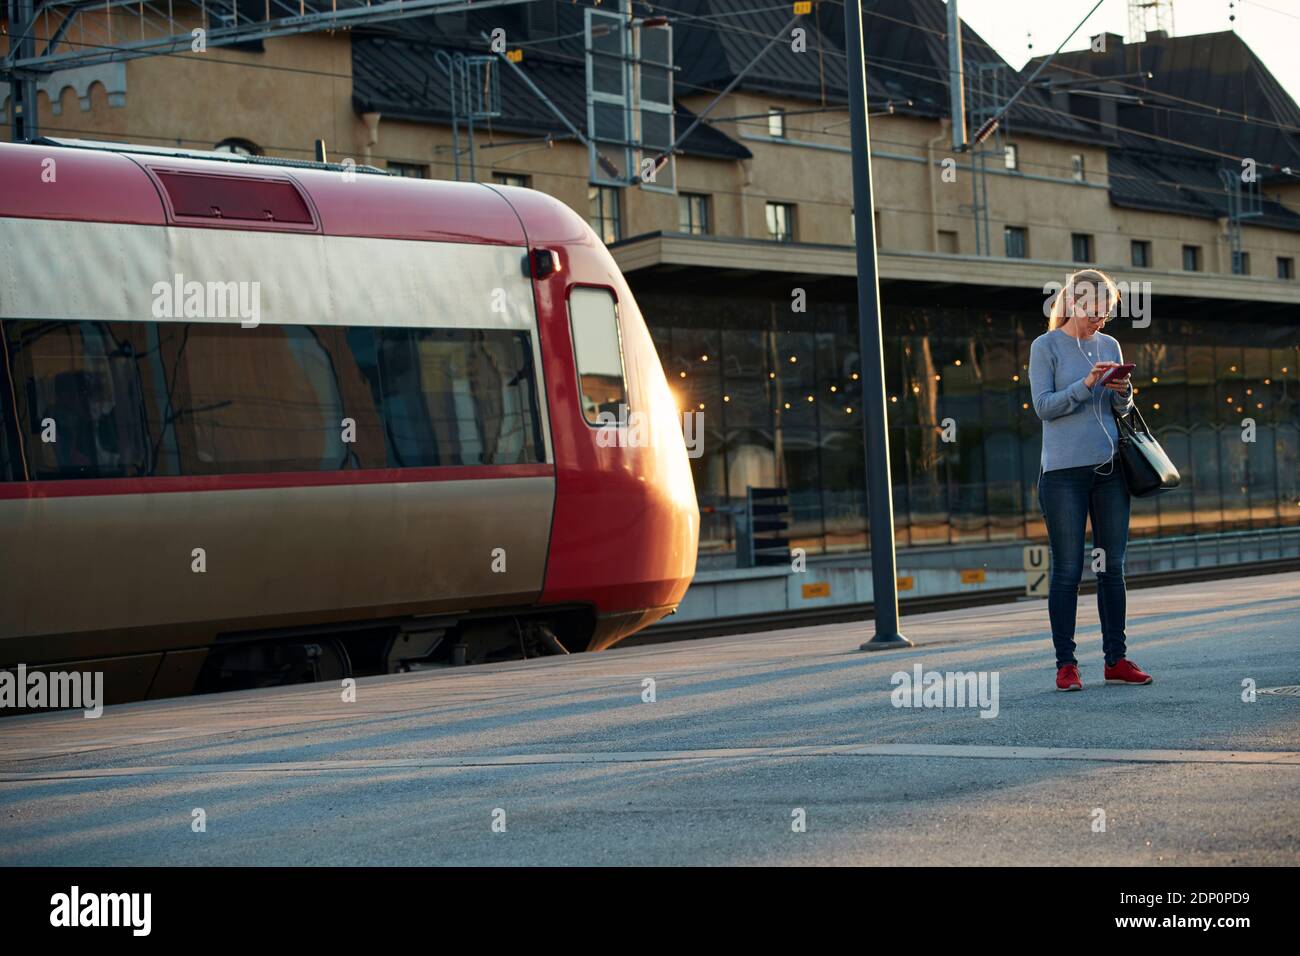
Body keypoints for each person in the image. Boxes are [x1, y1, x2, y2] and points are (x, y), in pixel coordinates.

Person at [1028, 268, 1153, 692]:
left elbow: (1119, 406)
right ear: (1076, 303)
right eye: (1096, 313)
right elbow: (1044, 407)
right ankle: (1067, 665)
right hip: (1063, 475)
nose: (1101, 322)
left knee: (1111, 568)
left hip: (1110, 471)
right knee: (1067, 570)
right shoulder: (1046, 347)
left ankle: (1115, 659)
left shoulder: (1109, 344)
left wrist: (1122, 389)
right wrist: (1085, 384)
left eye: (1107, 314)